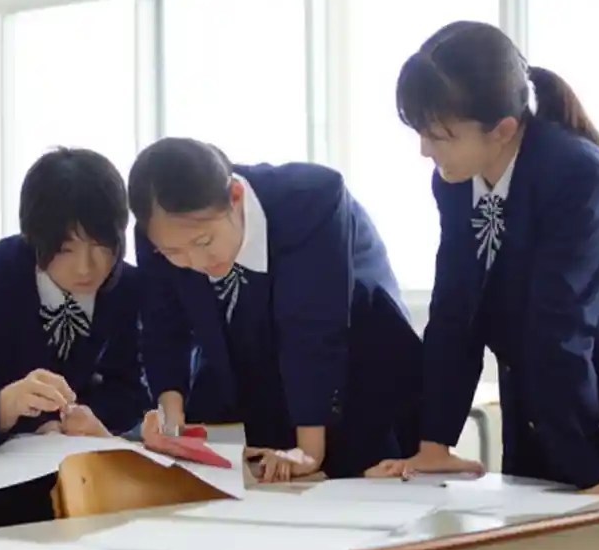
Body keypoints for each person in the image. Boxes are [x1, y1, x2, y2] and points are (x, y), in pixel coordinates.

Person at [367, 20, 599, 550]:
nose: (425, 150)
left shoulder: (575, 173)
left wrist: (590, 472)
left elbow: (559, 328)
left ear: (503, 128)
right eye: (420, 131)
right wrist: (433, 442)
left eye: (440, 134)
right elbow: (454, 312)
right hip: (551, 409)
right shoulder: (456, 179)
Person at [129, 138, 422, 481]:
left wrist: (309, 452)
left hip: (356, 368)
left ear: (235, 197)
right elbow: (164, 328)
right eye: (173, 253)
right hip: (259, 377)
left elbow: (312, 331)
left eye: (203, 242)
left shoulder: (310, 200)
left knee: (354, 491)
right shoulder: (160, 235)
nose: (194, 262)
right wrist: (170, 421)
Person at [0, 148, 150, 456]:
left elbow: (131, 392)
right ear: (33, 238)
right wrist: (7, 404)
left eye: (101, 245)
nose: (86, 268)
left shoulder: (130, 288)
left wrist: (83, 419)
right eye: (65, 249)